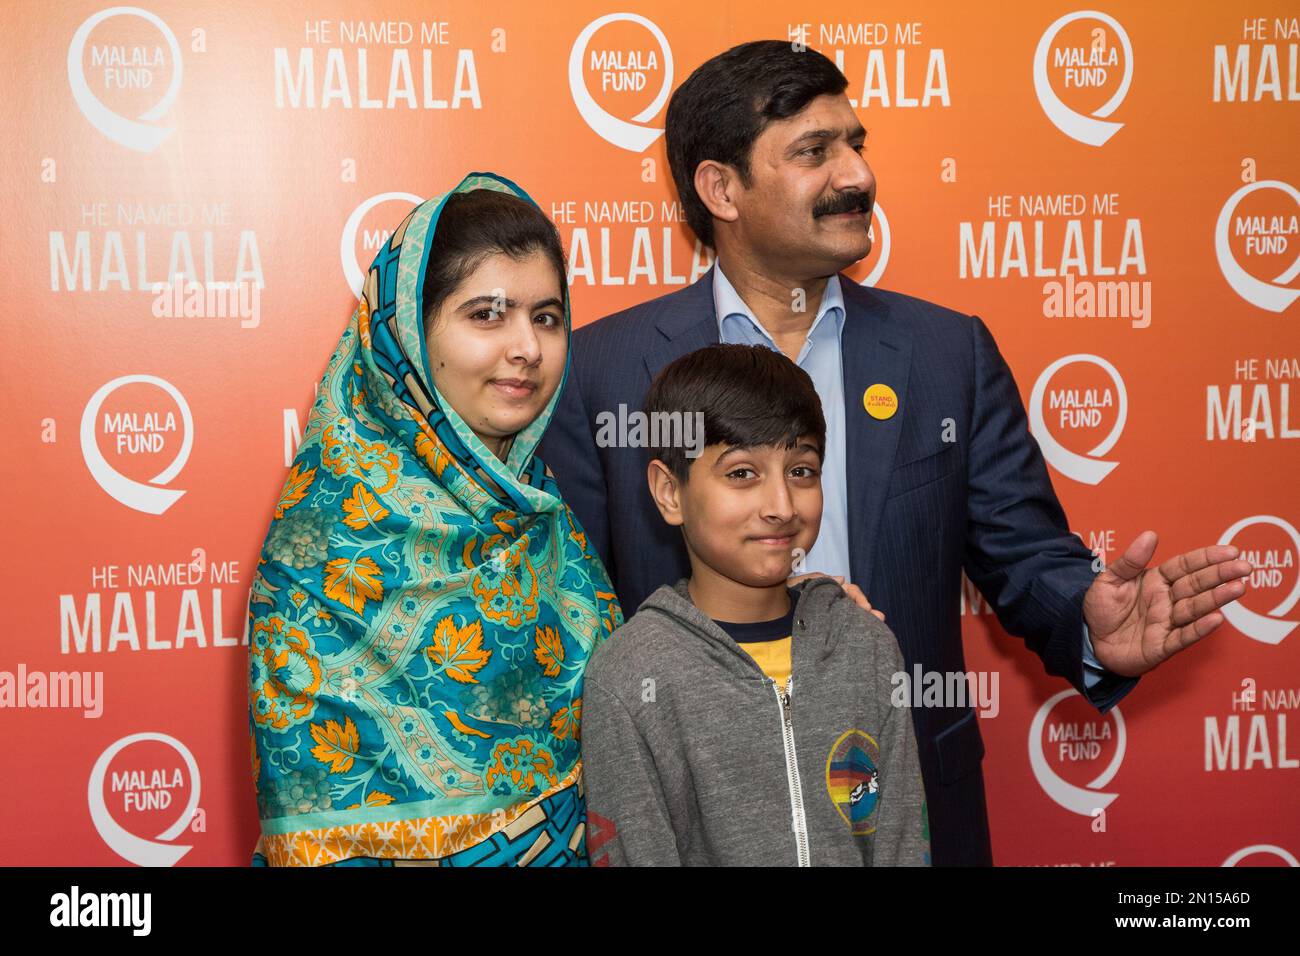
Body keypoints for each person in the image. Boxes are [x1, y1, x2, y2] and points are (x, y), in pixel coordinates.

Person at [538, 42, 1253, 866]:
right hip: (698, 819)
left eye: (856, 144)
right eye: (814, 152)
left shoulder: (948, 354)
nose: (856, 176)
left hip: (907, 813)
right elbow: (572, 618)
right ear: (719, 188)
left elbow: (1024, 553)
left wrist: (1088, 620)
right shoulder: (600, 374)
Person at [248, 172, 621, 866]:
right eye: (487, 315)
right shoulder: (323, 548)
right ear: (407, 338)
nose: (528, 348)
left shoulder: (543, 515)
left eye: (546, 316)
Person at [581, 344, 930, 866]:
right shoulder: (630, 676)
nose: (781, 507)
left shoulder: (865, 645)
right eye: (742, 473)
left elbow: (903, 845)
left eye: (802, 471)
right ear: (669, 492)